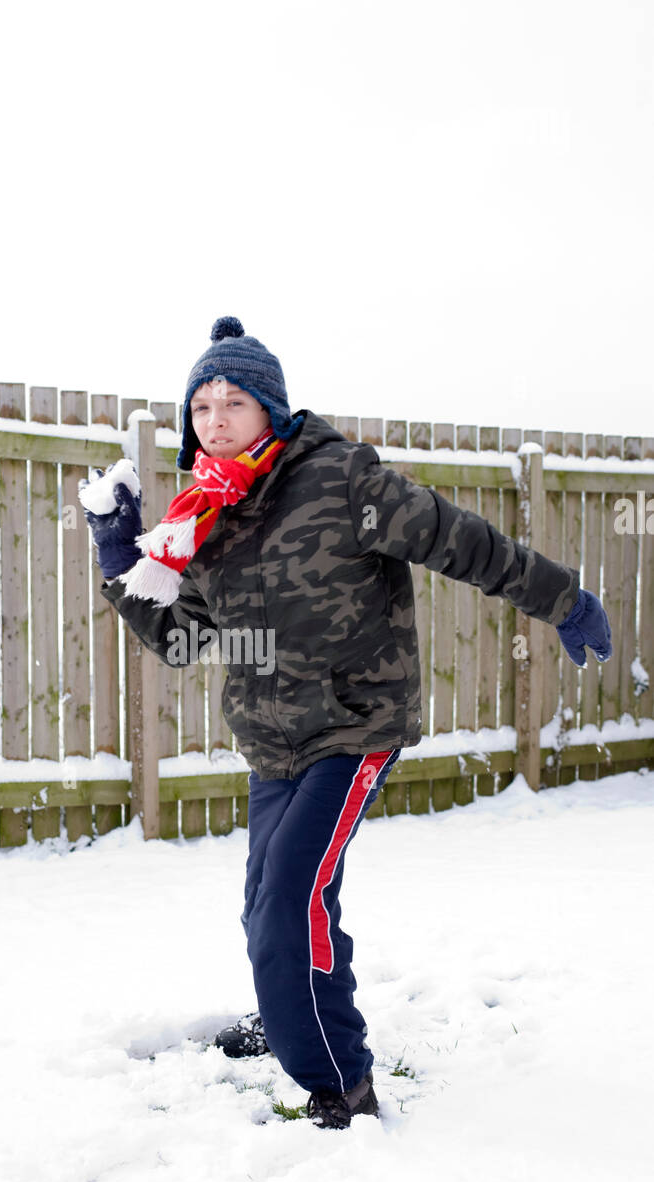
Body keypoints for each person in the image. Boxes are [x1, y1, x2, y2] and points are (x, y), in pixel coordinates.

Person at [80, 316, 612, 1130]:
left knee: (289, 905)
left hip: (354, 725)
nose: (214, 421)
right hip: (270, 737)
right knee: (275, 900)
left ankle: (340, 1082)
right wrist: (121, 558)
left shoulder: (343, 480)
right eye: (200, 407)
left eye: (233, 403)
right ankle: (293, 1010)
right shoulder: (202, 514)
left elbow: (462, 543)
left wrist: (564, 600)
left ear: (273, 412)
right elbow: (182, 639)